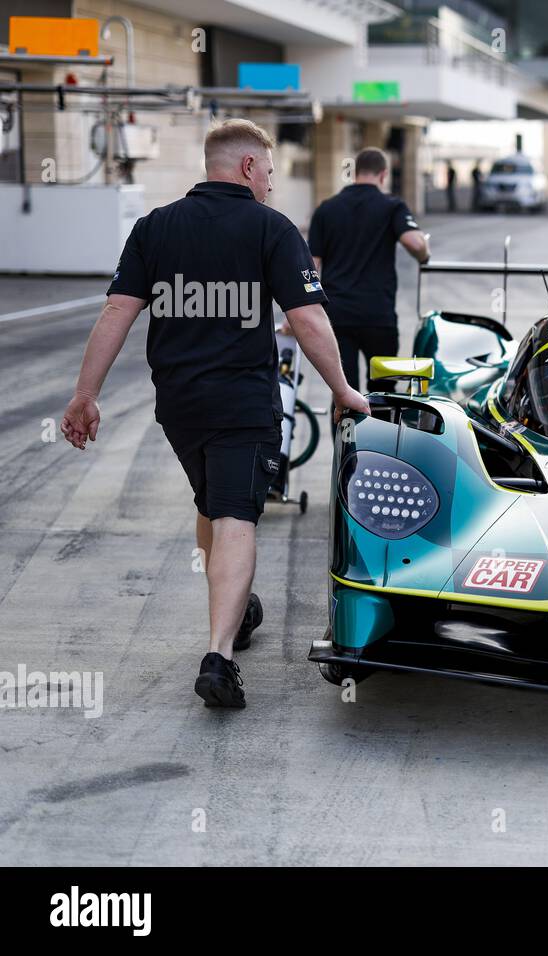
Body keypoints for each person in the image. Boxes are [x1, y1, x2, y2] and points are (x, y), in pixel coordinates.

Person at [59, 119, 370, 708]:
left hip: (179, 405)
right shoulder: (271, 228)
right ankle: (219, 657)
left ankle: (239, 608)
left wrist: (85, 394)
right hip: (242, 402)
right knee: (235, 517)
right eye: (270, 173)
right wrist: (343, 388)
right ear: (249, 167)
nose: (273, 186)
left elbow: (116, 313)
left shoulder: (155, 227)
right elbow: (307, 319)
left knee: (212, 505)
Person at [308, 147, 430, 406]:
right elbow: (415, 244)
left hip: (337, 317)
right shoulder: (392, 206)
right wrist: (424, 255)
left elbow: (311, 266)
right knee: (384, 394)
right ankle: (381, 444)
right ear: (383, 175)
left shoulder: (326, 209)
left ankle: (346, 445)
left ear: (354, 173)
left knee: (343, 393)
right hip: (379, 317)